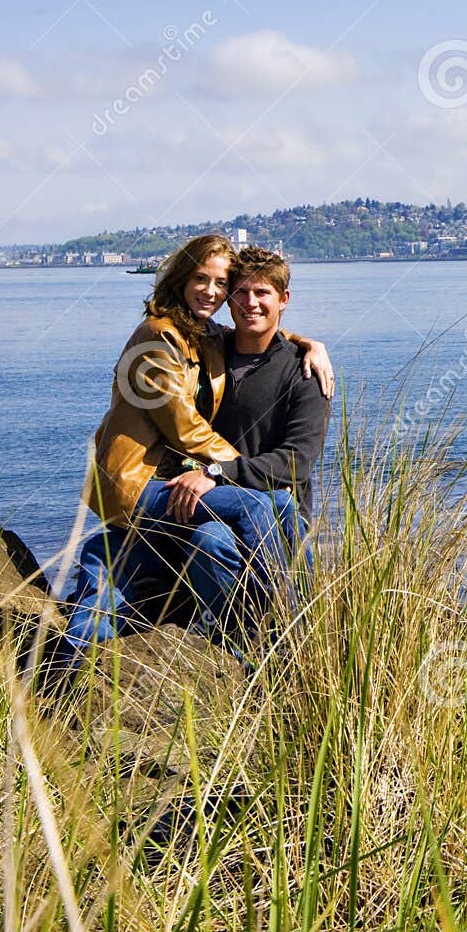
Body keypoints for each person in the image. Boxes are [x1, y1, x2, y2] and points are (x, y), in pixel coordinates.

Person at [57, 234, 332, 664]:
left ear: (283, 299)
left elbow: (298, 458)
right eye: (205, 280)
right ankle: (294, 630)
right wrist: (224, 473)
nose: (214, 292)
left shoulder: (208, 340)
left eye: (221, 284)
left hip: (182, 487)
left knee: (107, 552)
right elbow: (186, 430)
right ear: (182, 279)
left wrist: (307, 342)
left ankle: (73, 666)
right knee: (268, 503)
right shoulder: (158, 340)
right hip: (142, 483)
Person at [160, 245, 331, 631]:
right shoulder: (206, 353)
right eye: (240, 292)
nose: (250, 303)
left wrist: (218, 472)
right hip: (214, 508)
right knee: (209, 540)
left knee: (216, 539)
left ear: (283, 299)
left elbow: (297, 461)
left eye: (262, 293)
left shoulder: (304, 372)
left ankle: (286, 633)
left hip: (278, 518)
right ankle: (237, 642)